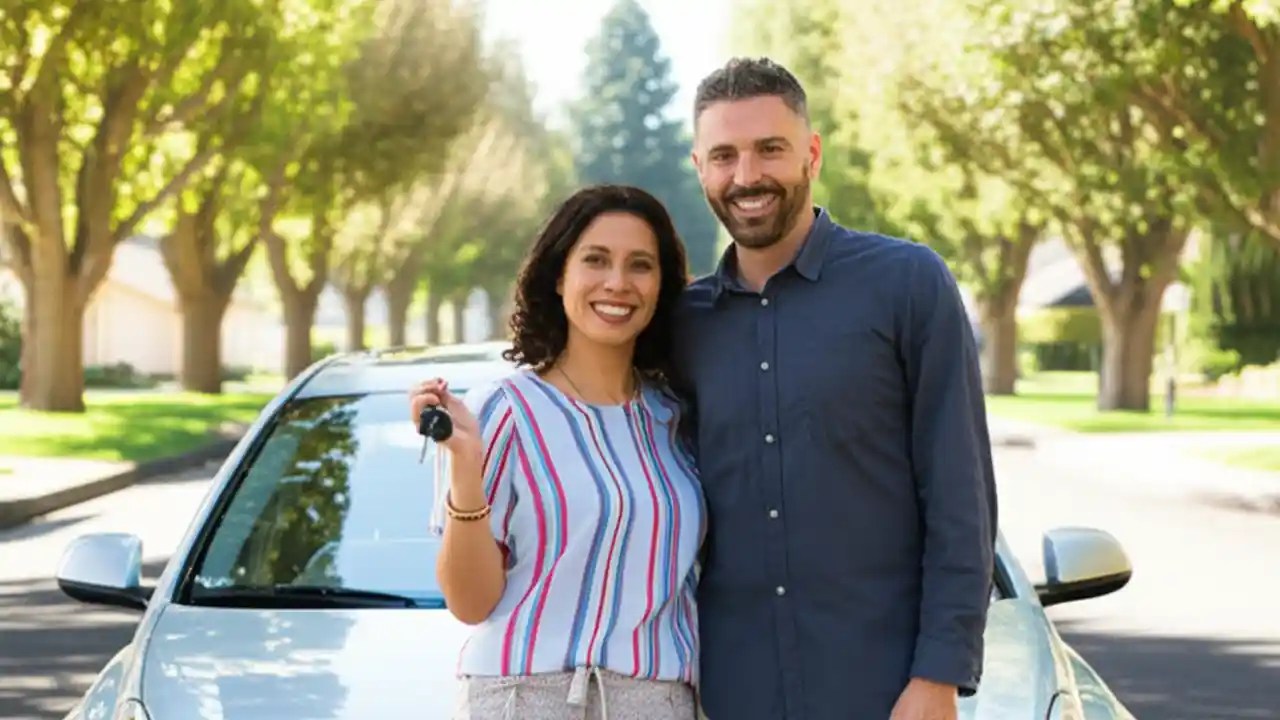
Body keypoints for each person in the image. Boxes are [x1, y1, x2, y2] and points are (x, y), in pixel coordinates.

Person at [671, 57, 999, 720]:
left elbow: (960, 494)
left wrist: (940, 674)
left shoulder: (908, 284)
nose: (747, 176)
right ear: (700, 166)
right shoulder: (680, 325)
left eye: (771, 150)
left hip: (884, 691)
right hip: (730, 696)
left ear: (811, 154)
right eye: (725, 156)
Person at [410, 184, 706, 720]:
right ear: (559, 274)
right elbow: (470, 603)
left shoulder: (677, 419)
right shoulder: (503, 411)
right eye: (596, 260)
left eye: (640, 265)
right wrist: (464, 464)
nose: (617, 283)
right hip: (526, 699)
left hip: (657, 702)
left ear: (661, 287)